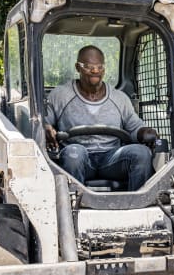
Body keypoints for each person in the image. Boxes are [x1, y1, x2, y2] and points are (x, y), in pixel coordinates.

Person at [45, 45, 157, 191]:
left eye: (100, 66)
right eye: (88, 66)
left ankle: (139, 204)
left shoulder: (120, 98)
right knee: (74, 154)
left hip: (111, 158)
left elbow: (134, 127)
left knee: (141, 153)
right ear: (77, 67)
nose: (95, 70)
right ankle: (73, 205)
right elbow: (45, 123)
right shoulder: (60, 95)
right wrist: (47, 128)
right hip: (80, 156)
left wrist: (145, 132)